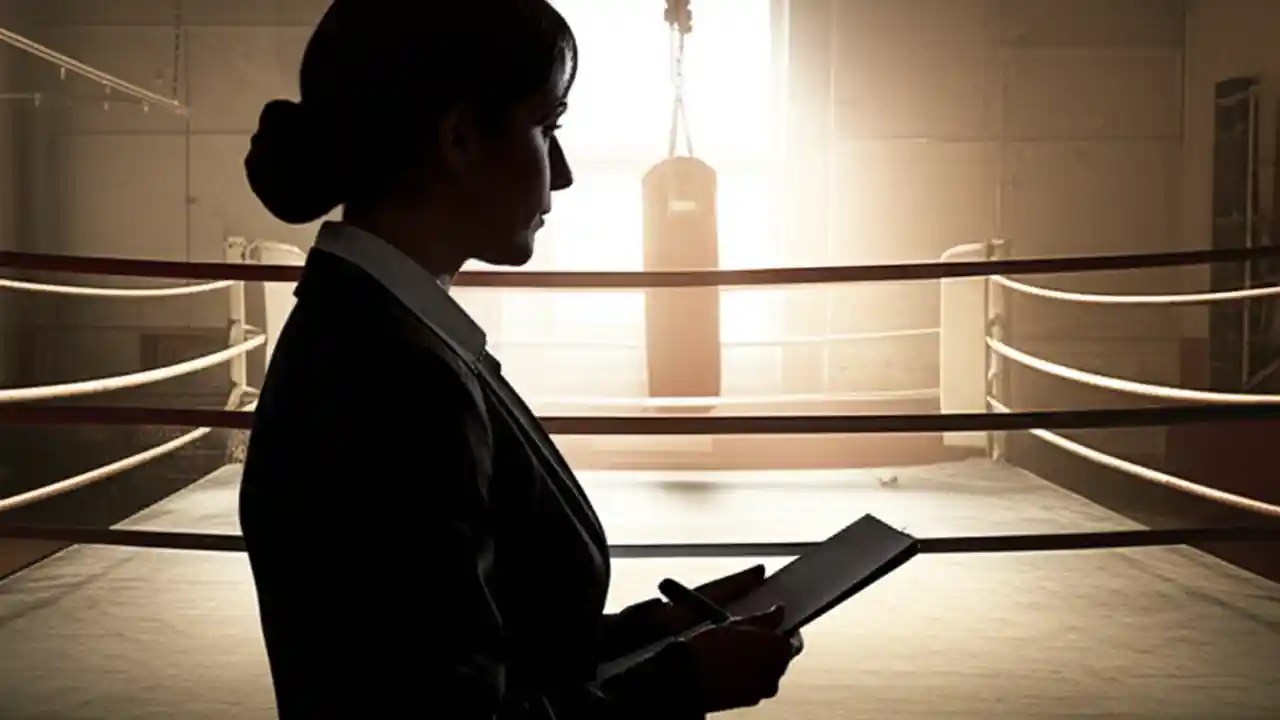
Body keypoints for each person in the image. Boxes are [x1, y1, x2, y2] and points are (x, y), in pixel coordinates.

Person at [238, 2, 801, 718]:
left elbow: (456, 647)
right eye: (547, 127)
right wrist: (681, 684)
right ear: (461, 137)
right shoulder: (392, 380)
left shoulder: (388, 333)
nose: (561, 173)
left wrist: (656, 633)